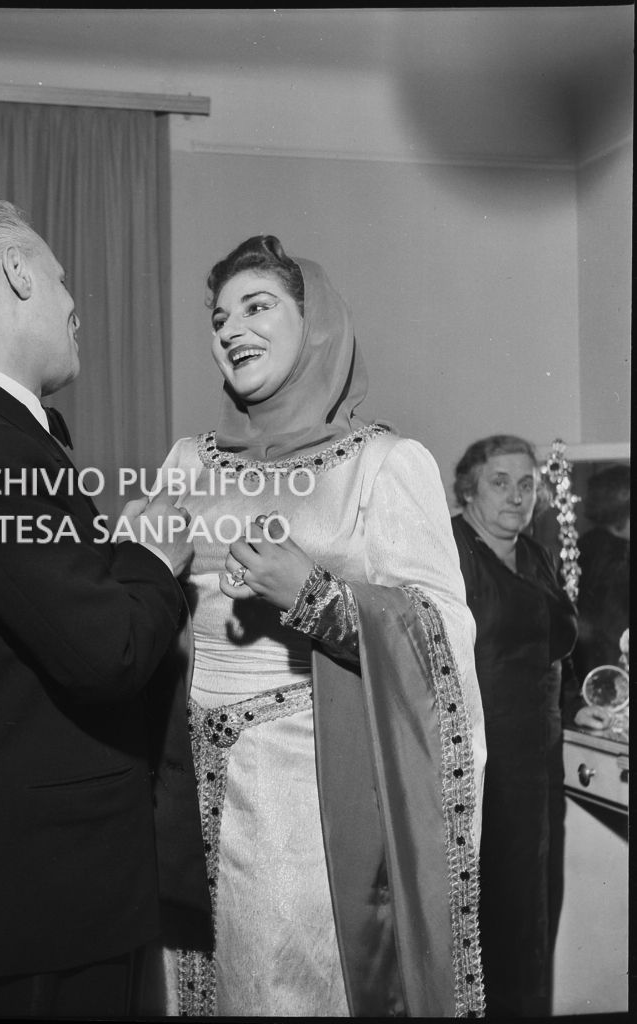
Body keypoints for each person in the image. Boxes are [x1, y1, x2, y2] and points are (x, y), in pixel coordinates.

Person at [0, 191, 210, 1018]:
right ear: (19, 275)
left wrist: (116, 558)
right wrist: (153, 557)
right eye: (59, 279)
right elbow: (108, 653)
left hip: (9, 895)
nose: (72, 305)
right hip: (29, 907)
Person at [150, 236, 487, 1017]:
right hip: (181, 790)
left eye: (257, 306)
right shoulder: (187, 461)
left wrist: (314, 596)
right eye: (218, 317)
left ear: (316, 326)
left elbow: (443, 637)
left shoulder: (383, 463)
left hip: (304, 807)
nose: (230, 329)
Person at [450, 435, 579, 1018]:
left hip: (540, 757)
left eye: (527, 484)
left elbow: (554, 644)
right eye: (500, 482)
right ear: (469, 488)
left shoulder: (535, 554)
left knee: (537, 900)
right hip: (482, 762)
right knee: (492, 908)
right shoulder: (451, 549)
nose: (517, 496)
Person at [572, 464, 630, 706]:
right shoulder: (613, 555)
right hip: (608, 679)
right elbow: (613, 626)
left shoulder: (587, 544)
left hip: (591, 673)